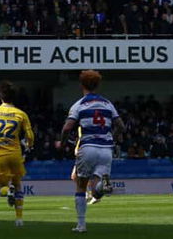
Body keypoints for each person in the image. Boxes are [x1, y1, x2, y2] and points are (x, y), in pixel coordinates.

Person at [58, 69, 121, 234]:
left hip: (88, 147)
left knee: (80, 186)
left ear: (82, 85)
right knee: (95, 190)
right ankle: (103, 185)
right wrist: (111, 138)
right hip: (106, 149)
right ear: (97, 84)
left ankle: (81, 225)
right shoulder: (108, 104)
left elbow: (67, 128)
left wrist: (63, 143)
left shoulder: (79, 105)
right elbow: (121, 126)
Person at [0, 80, 35, 227]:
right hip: (16, 154)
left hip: (0, 155)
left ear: (0, 96)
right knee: (18, 185)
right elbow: (30, 136)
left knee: (0, 187)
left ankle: (7, 191)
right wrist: (29, 146)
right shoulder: (21, 114)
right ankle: (19, 219)